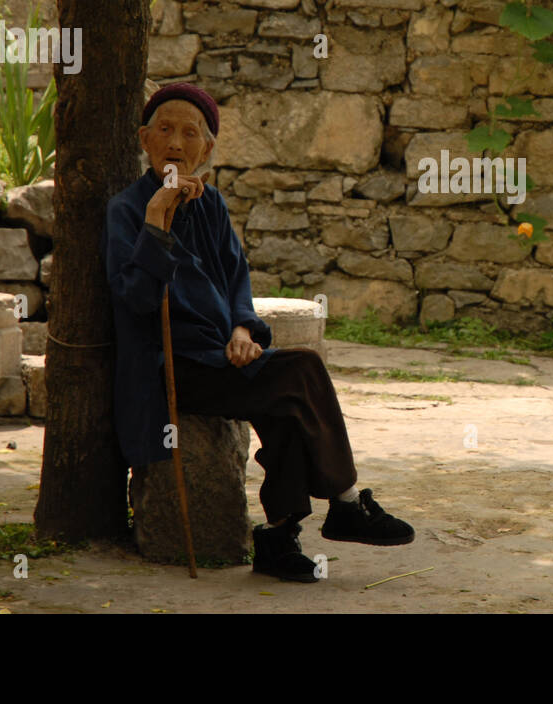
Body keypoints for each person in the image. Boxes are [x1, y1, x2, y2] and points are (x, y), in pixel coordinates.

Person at [103, 82, 413, 583]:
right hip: (170, 367)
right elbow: (136, 300)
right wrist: (156, 219)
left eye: (189, 133)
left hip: (221, 358)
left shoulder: (211, 204)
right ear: (145, 139)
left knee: (288, 405)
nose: (176, 143)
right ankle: (346, 501)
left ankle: (279, 536)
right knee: (303, 368)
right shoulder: (127, 209)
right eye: (164, 130)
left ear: (207, 149)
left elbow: (236, 281)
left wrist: (244, 328)